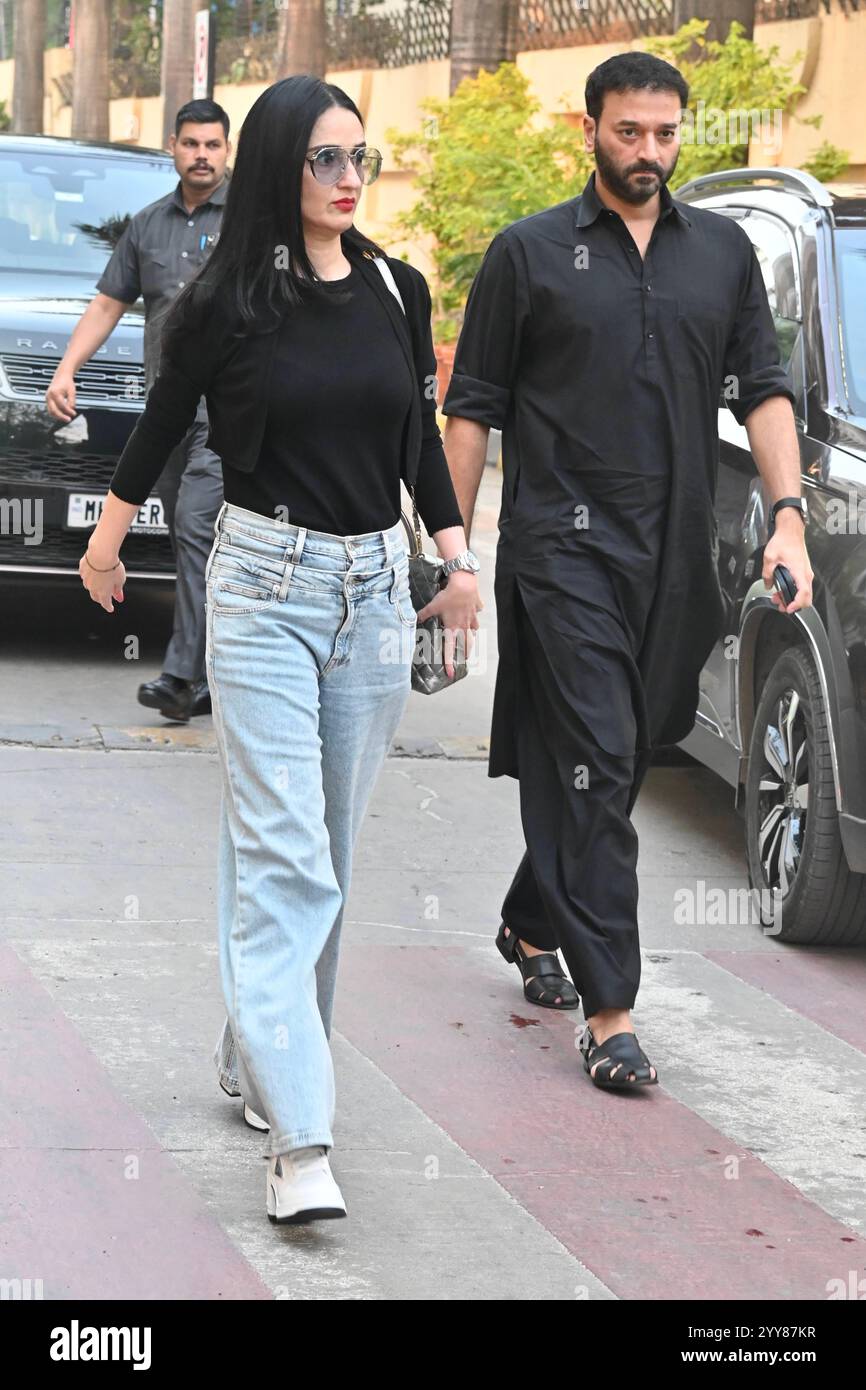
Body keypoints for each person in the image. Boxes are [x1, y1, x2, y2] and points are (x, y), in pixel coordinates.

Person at [77, 75, 481, 1223]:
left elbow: (412, 433)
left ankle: (254, 1045)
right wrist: (108, 539)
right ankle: (302, 1136)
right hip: (260, 585)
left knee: (327, 860)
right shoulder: (225, 298)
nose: (351, 178)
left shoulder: (396, 289)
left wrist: (452, 558)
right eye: (324, 160)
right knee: (287, 853)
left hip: (368, 592)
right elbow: (162, 418)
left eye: (363, 156)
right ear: (275, 168)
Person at [441, 52, 812, 1090]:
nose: (646, 151)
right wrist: (452, 553)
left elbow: (765, 390)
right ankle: (611, 1011)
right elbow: (469, 407)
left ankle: (528, 914)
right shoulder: (527, 255)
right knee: (600, 754)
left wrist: (786, 518)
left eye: (662, 133)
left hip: (674, 555)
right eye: (626, 132)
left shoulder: (722, 256)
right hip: (560, 550)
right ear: (588, 128)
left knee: (614, 752)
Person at [48, 99, 232, 723]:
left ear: (226, 150)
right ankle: (218, 674)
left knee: (195, 527)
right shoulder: (147, 225)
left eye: (212, 144)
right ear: (174, 147)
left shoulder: (251, 224)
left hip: (228, 409)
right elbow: (107, 304)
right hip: (167, 412)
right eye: (191, 144)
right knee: (200, 541)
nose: (201, 155)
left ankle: (182, 677)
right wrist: (67, 367)